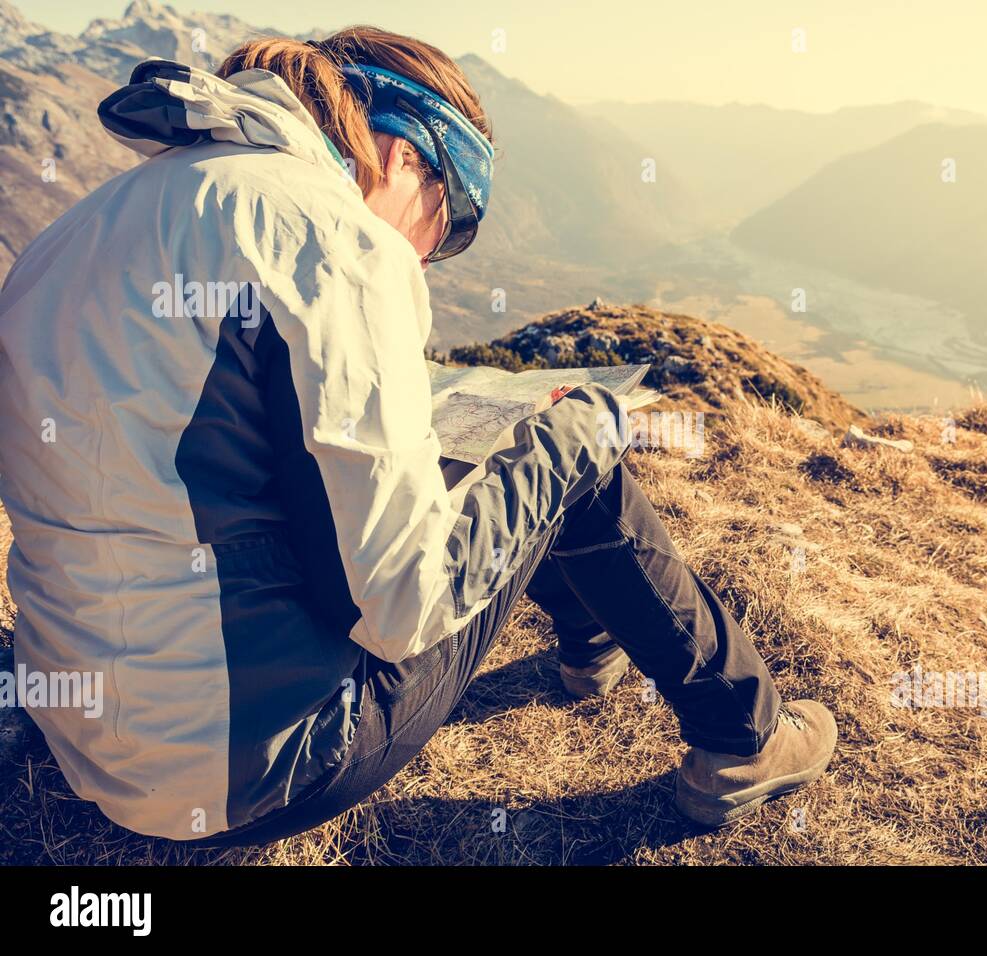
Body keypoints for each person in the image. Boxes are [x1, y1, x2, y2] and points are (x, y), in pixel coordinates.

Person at [0, 26, 836, 846]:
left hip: (85, 731)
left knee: (503, 455)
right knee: (570, 437)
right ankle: (744, 735)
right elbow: (398, 604)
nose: (437, 250)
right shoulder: (330, 237)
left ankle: (591, 643)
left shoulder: (90, 223)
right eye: (458, 214)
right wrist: (578, 427)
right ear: (402, 155)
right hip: (247, 767)